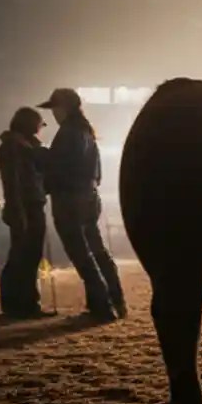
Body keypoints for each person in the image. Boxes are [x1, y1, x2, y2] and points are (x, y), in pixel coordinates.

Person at [39, 88, 126, 321]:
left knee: (81, 254)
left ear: (63, 107)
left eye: (55, 108)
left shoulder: (68, 133)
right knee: (96, 250)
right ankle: (116, 299)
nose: (53, 114)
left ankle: (102, 306)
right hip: (88, 195)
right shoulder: (86, 131)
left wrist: (42, 163)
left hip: (69, 198)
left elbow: (60, 167)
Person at [0, 108, 55, 320]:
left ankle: (22, 303)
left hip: (28, 205)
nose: (40, 130)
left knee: (27, 255)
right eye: (39, 125)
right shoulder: (15, 147)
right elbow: (14, 182)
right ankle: (21, 305)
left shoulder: (21, 146)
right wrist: (17, 210)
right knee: (24, 256)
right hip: (25, 206)